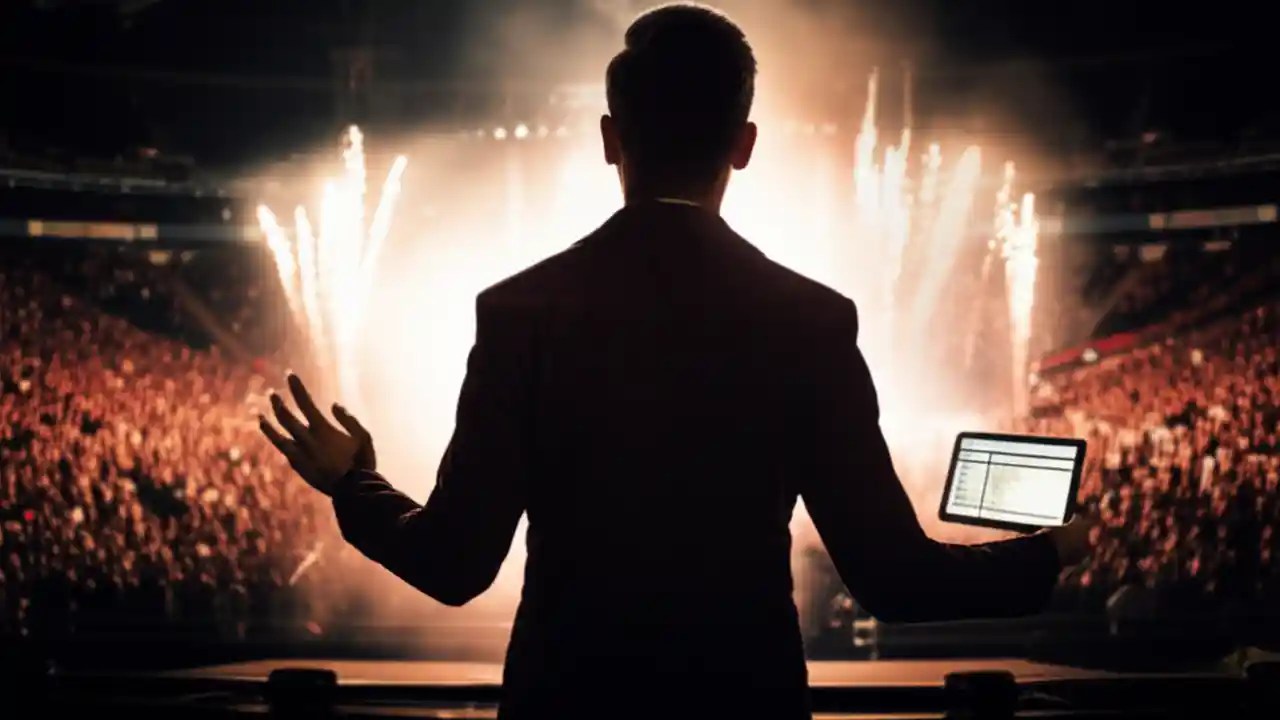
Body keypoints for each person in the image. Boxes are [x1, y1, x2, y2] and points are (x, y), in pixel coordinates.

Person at [259, 4, 1090, 718]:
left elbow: (453, 564)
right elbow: (895, 579)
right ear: (745, 143)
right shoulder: (812, 321)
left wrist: (354, 482)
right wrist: (1048, 554)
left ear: (611, 139)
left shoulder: (517, 312)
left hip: (569, 710)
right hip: (742, 710)